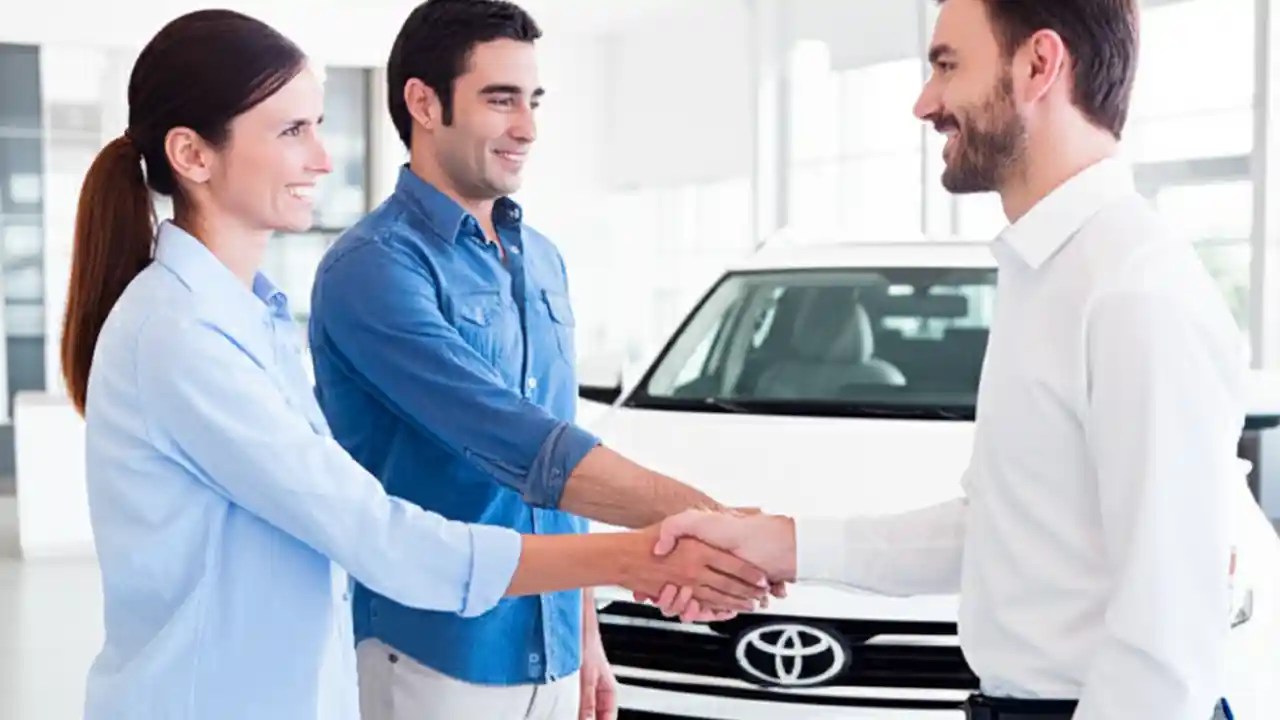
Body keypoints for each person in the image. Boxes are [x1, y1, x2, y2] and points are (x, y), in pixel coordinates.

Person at [61, 10, 767, 720]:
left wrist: (586, 618)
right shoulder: (180, 334)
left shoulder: (255, 317)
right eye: (291, 130)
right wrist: (640, 555)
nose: (323, 159)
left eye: (317, 124)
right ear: (193, 154)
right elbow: (382, 534)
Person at [646, 1, 1254, 718]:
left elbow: (1169, 634)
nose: (924, 103)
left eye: (946, 65)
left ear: (1038, 65)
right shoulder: (1052, 273)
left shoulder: (1132, 289)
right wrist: (783, 544)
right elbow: (1006, 529)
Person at [305, 2, 764, 718]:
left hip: (551, 648)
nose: (527, 127)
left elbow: (561, 466)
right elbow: (520, 445)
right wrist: (712, 519)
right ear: (423, 103)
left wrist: (586, 636)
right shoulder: (374, 269)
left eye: (533, 101)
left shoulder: (540, 259)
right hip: (436, 653)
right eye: (500, 100)